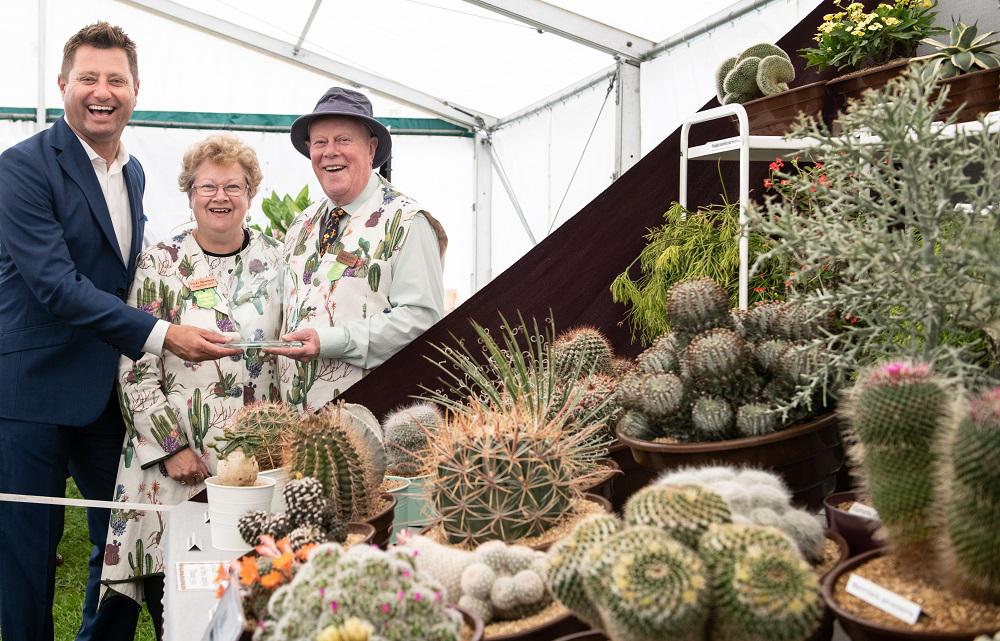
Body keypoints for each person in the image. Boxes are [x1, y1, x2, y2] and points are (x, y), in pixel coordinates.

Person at [0, 22, 239, 641]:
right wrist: (162, 334)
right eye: (88, 78)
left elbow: (125, 277)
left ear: (135, 90)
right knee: (28, 553)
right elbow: (55, 284)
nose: (101, 91)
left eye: (115, 79)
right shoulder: (21, 169)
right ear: (62, 86)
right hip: (32, 393)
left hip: (106, 391)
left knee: (125, 535)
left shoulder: (130, 173)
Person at [98, 134, 283, 638]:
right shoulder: (159, 263)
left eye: (233, 186)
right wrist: (170, 447)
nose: (220, 197)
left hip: (253, 462)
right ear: (189, 193)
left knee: (252, 593)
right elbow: (135, 362)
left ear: (251, 193)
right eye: (208, 186)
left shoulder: (279, 261)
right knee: (180, 593)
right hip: (173, 464)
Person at [267, 88, 447, 413]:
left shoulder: (407, 221)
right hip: (299, 432)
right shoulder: (301, 225)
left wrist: (332, 341)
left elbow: (422, 318)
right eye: (319, 143)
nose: (329, 152)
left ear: (371, 147)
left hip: (370, 421)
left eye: (343, 140)